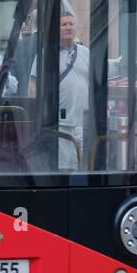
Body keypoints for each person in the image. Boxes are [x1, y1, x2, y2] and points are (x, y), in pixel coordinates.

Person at [30, 11, 90, 171]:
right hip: (60, 124)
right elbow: (33, 86)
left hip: (82, 124)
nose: (68, 28)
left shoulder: (85, 53)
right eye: (64, 24)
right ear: (57, 29)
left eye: (71, 24)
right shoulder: (45, 54)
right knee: (64, 168)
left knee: (82, 166)